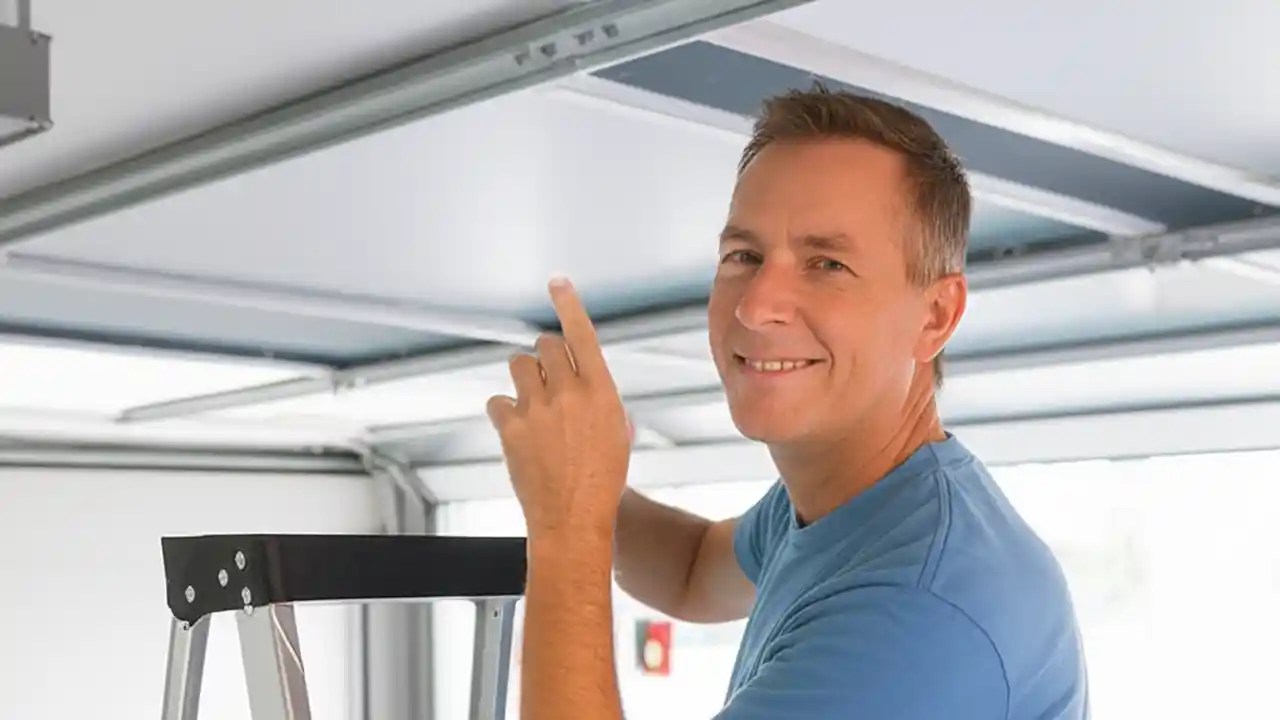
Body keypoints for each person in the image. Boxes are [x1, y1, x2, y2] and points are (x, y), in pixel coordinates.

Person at [486, 85, 1090, 719]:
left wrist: (569, 523)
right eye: (744, 256)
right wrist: (576, 476)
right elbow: (691, 571)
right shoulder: (857, 503)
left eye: (826, 264)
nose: (756, 304)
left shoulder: (918, 610)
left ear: (935, 317)